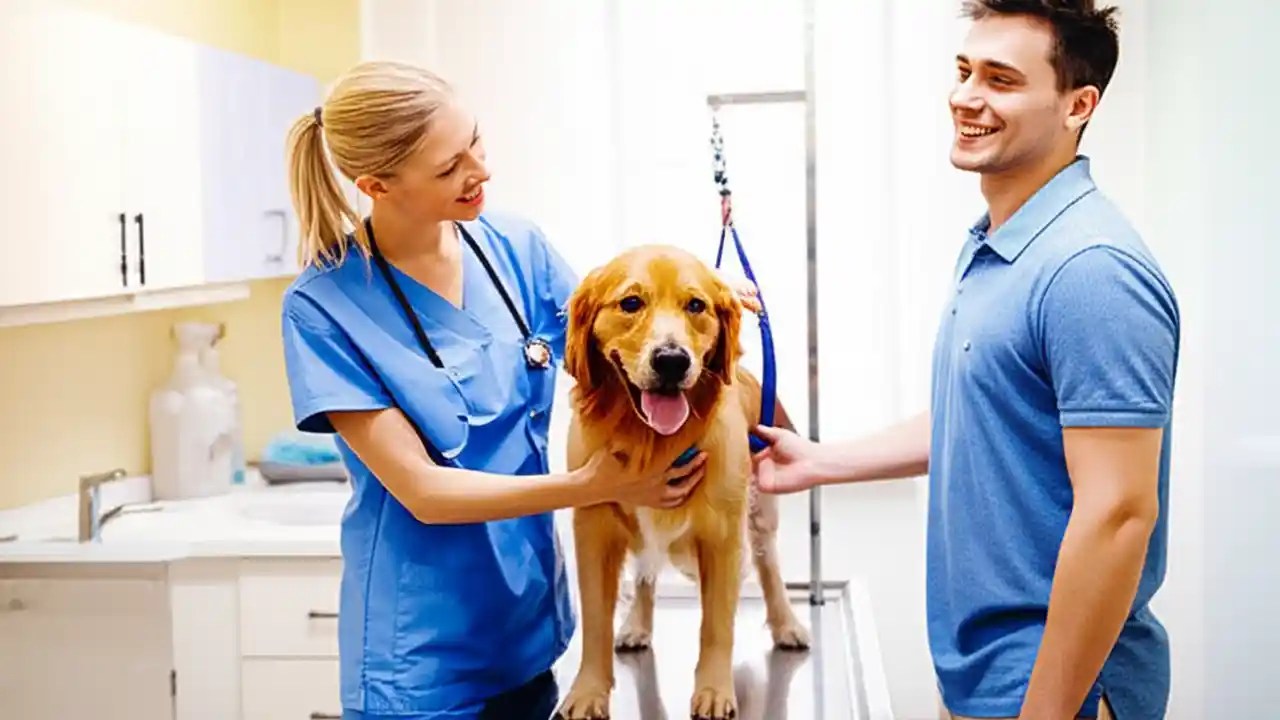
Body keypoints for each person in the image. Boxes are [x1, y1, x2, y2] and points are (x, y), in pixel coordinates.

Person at [278, 61, 758, 720]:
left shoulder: (513, 249)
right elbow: (422, 490)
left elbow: (615, 354)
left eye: (475, 142)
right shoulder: (324, 307)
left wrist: (703, 315)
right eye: (449, 168)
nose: (479, 170)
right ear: (376, 185)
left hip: (529, 634)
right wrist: (598, 487)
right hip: (419, 660)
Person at [752, 2, 1178, 719]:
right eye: (963, 71)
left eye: (1001, 80)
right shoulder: (998, 244)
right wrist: (821, 461)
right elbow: (984, 415)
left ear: (1079, 104)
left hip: (1058, 690)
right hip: (987, 682)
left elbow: (1119, 514)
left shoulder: (1090, 269)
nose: (966, 97)